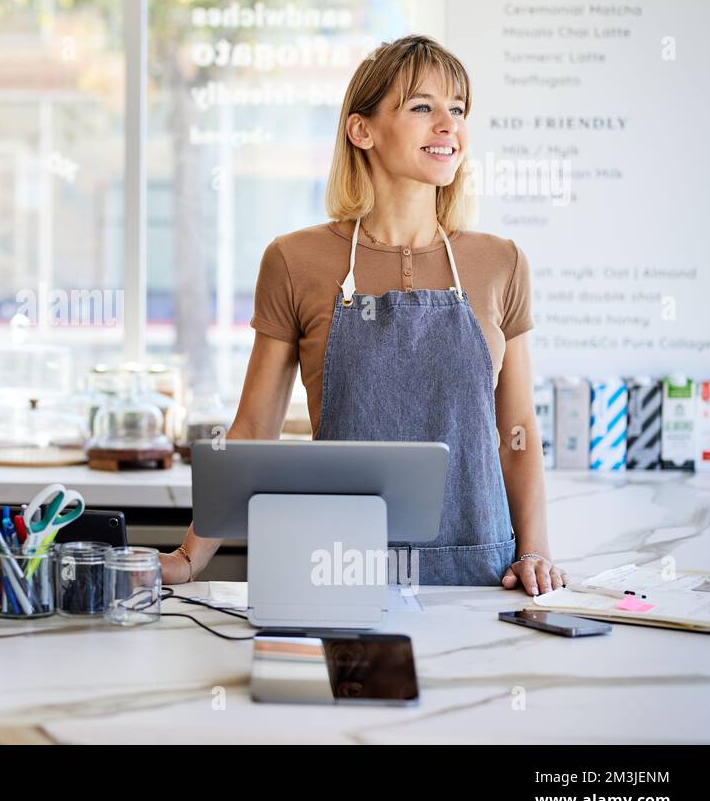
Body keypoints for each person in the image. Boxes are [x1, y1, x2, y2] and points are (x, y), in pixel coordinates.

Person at [161, 34, 567, 594]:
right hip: (335, 570)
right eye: (423, 107)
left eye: (458, 109)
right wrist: (188, 557)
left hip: (480, 575)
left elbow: (517, 432)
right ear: (362, 130)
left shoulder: (500, 263)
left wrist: (536, 552)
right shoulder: (294, 260)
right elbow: (256, 429)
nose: (448, 125)